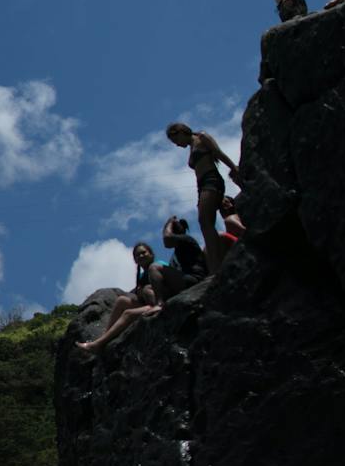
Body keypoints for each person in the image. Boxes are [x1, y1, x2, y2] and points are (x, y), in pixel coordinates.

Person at [165, 123, 242, 272]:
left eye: (176, 140)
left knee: (205, 221)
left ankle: (215, 265)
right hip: (202, 186)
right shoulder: (191, 147)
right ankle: (215, 262)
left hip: (211, 180)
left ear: (180, 132)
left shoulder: (201, 137)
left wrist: (234, 168)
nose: (177, 145)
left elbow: (218, 153)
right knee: (205, 224)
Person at [75, 243, 160, 352]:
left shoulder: (158, 266)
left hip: (158, 304)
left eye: (143, 253)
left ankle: (97, 344)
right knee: (121, 300)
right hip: (148, 304)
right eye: (137, 255)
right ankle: (106, 336)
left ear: (151, 254)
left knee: (128, 313)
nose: (141, 256)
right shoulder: (141, 276)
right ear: (135, 260)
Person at [161, 214, 208, 285]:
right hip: (187, 277)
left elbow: (167, 239)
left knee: (155, 268)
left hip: (196, 277)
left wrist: (169, 222)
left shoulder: (187, 239)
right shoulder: (174, 256)